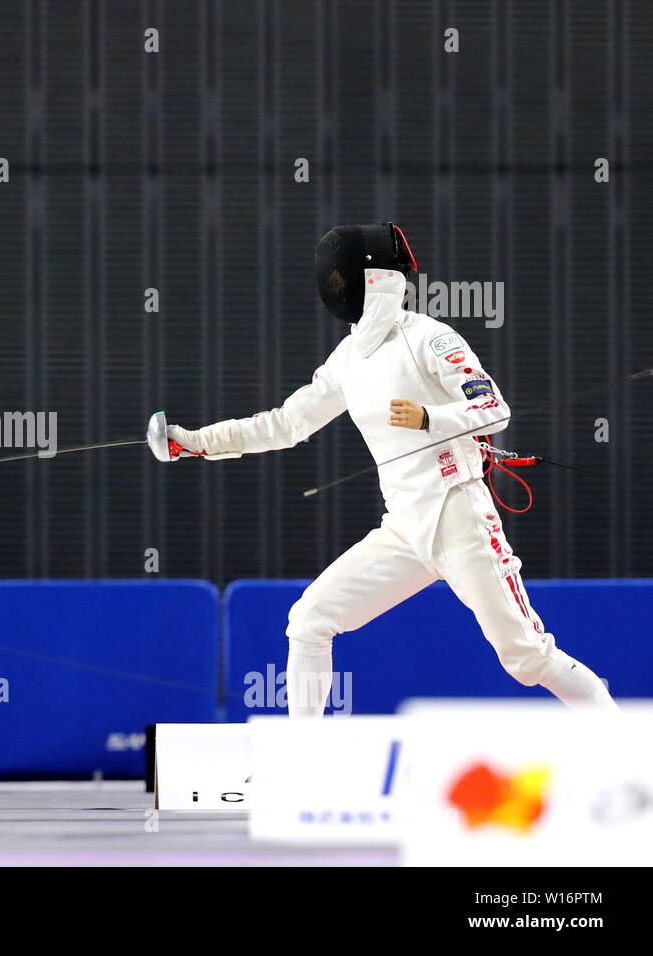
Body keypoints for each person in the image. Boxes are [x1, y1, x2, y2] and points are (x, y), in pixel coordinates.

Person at [162, 222, 619, 717]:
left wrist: (431, 418)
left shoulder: (430, 337)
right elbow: (286, 424)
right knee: (310, 620)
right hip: (404, 527)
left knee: (527, 657)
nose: (335, 291)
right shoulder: (348, 360)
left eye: (342, 279)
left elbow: (494, 408)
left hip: (458, 513)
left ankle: (628, 750)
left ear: (372, 278)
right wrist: (197, 443)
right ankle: (300, 763)